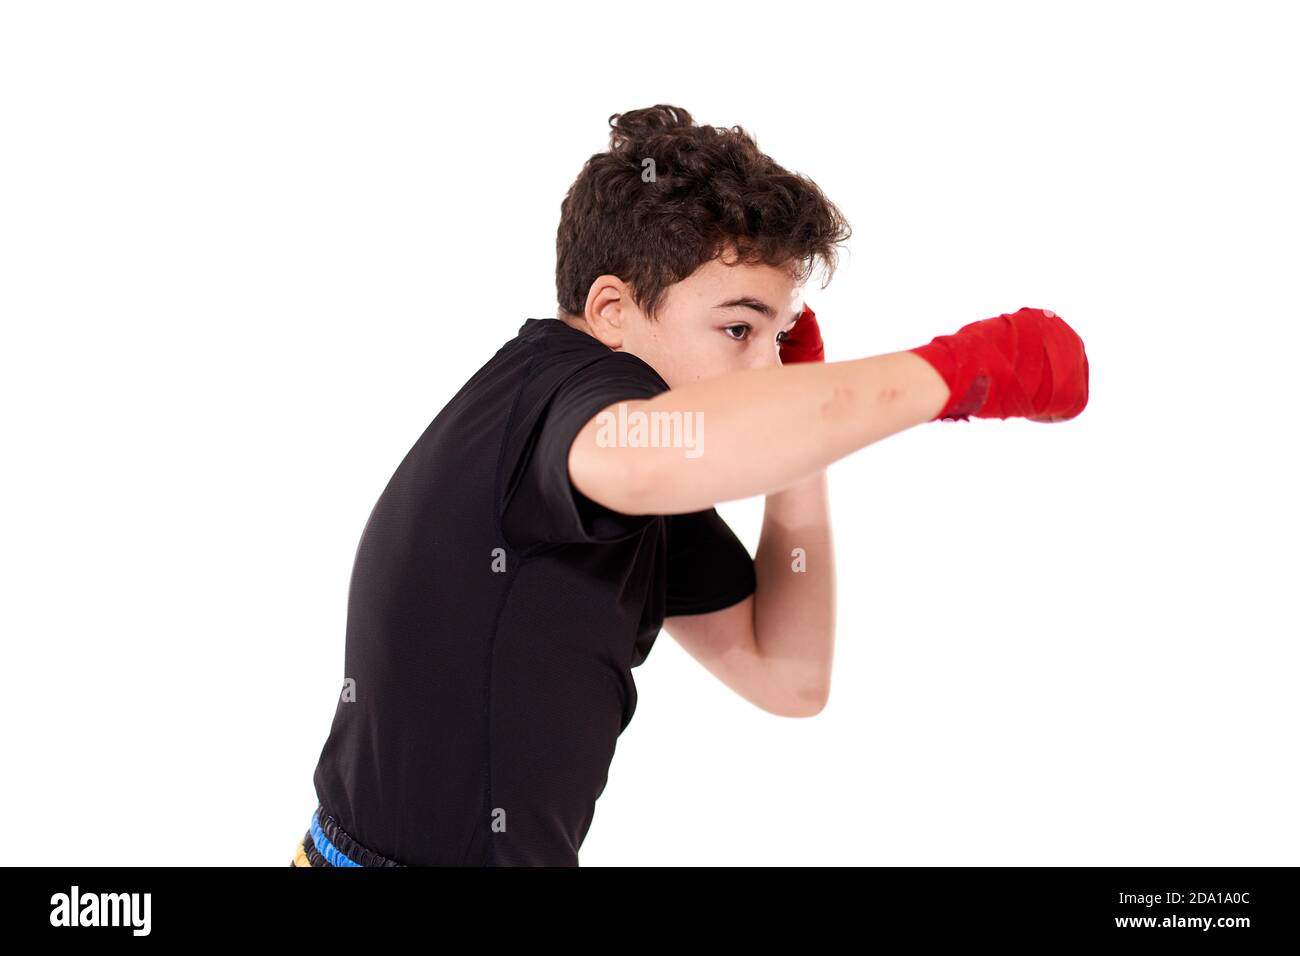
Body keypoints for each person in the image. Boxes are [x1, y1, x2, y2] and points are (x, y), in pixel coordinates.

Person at [291, 103, 1089, 867]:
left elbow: (787, 674)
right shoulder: (564, 395)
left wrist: (798, 438)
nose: (764, 364)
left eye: (777, 338)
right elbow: (649, 453)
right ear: (610, 309)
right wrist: (954, 374)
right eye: (738, 329)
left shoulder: (630, 492)